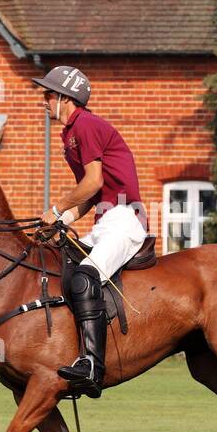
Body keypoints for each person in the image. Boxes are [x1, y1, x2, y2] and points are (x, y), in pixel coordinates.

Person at [35, 65, 146, 398]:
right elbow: (91, 195)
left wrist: (56, 208)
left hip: (126, 219)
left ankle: (93, 366)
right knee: (62, 268)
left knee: (85, 277)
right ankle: (63, 354)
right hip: (104, 220)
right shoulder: (70, 134)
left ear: (64, 99)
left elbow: (93, 182)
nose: (43, 101)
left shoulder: (87, 125)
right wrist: (63, 220)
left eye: (47, 95)